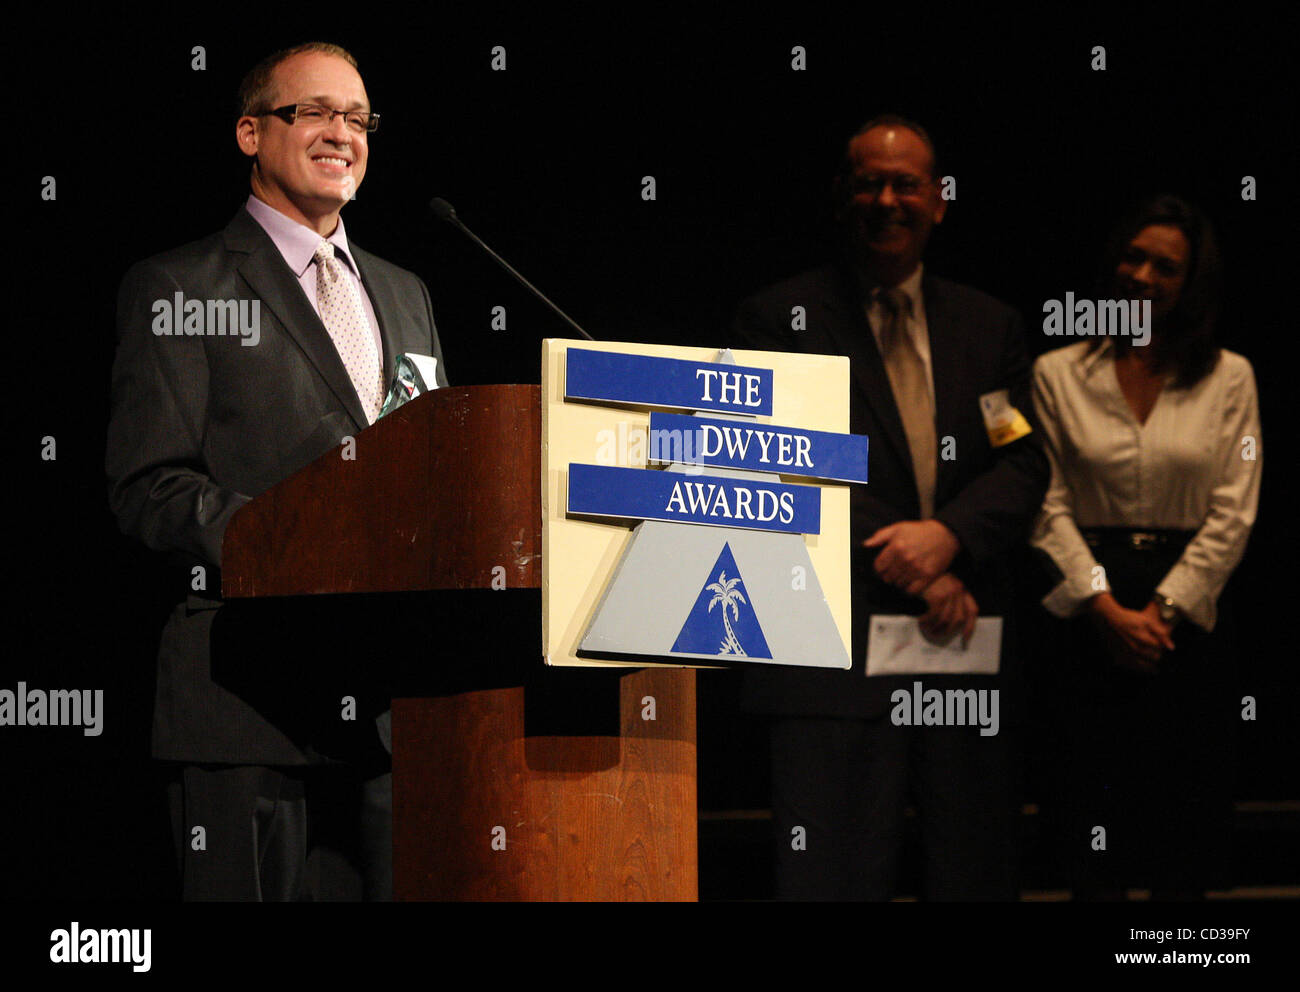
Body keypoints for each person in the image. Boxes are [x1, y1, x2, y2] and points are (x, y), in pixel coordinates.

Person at [105, 41, 449, 900]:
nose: (344, 132)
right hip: (246, 707)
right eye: (316, 112)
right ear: (251, 133)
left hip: (387, 718)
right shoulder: (178, 283)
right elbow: (149, 487)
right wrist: (298, 541)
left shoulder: (406, 292)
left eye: (359, 117)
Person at [733, 116, 1048, 900]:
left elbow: (1023, 458)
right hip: (829, 653)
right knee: (829, 880)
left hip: (960, 646)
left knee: (974, 872)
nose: (887, 198)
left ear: (938, 201)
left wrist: (950, 539)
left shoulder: (989, 325)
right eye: (868, 182)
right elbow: (772, 464)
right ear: (842, 198)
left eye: (906, 182)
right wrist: (912, 561)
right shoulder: (780, 320)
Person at [1031, 194, 1260, 899]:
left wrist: (1159, 614)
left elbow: (1234, 507)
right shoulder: (1057, 371)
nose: (1144, 276)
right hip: (1088, 617)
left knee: (1182, 832)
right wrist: (1105, 608)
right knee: (1087, 823)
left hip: (1182, 625)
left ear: (1192, 282)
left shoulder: (1229, 376)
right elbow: (1046, 503)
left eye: (1167, 266)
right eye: (1134, 257)